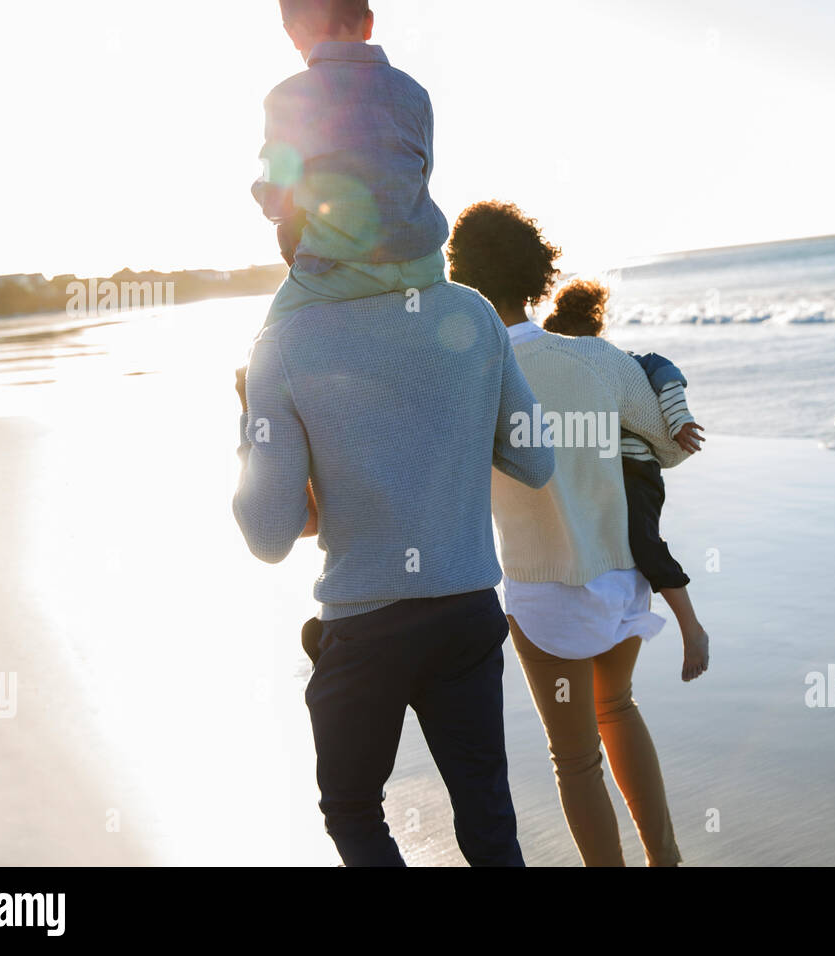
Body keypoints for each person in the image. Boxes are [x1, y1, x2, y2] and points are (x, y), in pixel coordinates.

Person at [233, 4, 556, 866]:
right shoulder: (472, 314)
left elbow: (268, 536)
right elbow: (533, 456)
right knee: (489, 819)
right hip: (464, 609)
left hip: (366, 622)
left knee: (352, 809)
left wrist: (252, 418)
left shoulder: (287, 341)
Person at [448, 200, 694, 866]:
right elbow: (670, 449)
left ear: (462, 279)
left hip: (541, 589)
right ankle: (666, 859)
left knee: (576, 757)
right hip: (619, 577)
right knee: (618, 708)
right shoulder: (597, 360)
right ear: (536, 272)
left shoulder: (474, 374)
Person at [545, 280, 711, 682]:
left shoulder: (615, 360)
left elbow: (661, 366)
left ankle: (692, 629)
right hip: (605, 477)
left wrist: (679, 419)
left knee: (644, 544)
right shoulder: (559, 369)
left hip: (637, 474)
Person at [251, 0, 449, 327]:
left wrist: (261, 188)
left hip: (342, 271)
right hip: (424, 266)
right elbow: (420, 176)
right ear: (368, 23)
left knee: (262, 355)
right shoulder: (415, 92)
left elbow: (277, 199)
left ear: (292, 34)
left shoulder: (286, 97)